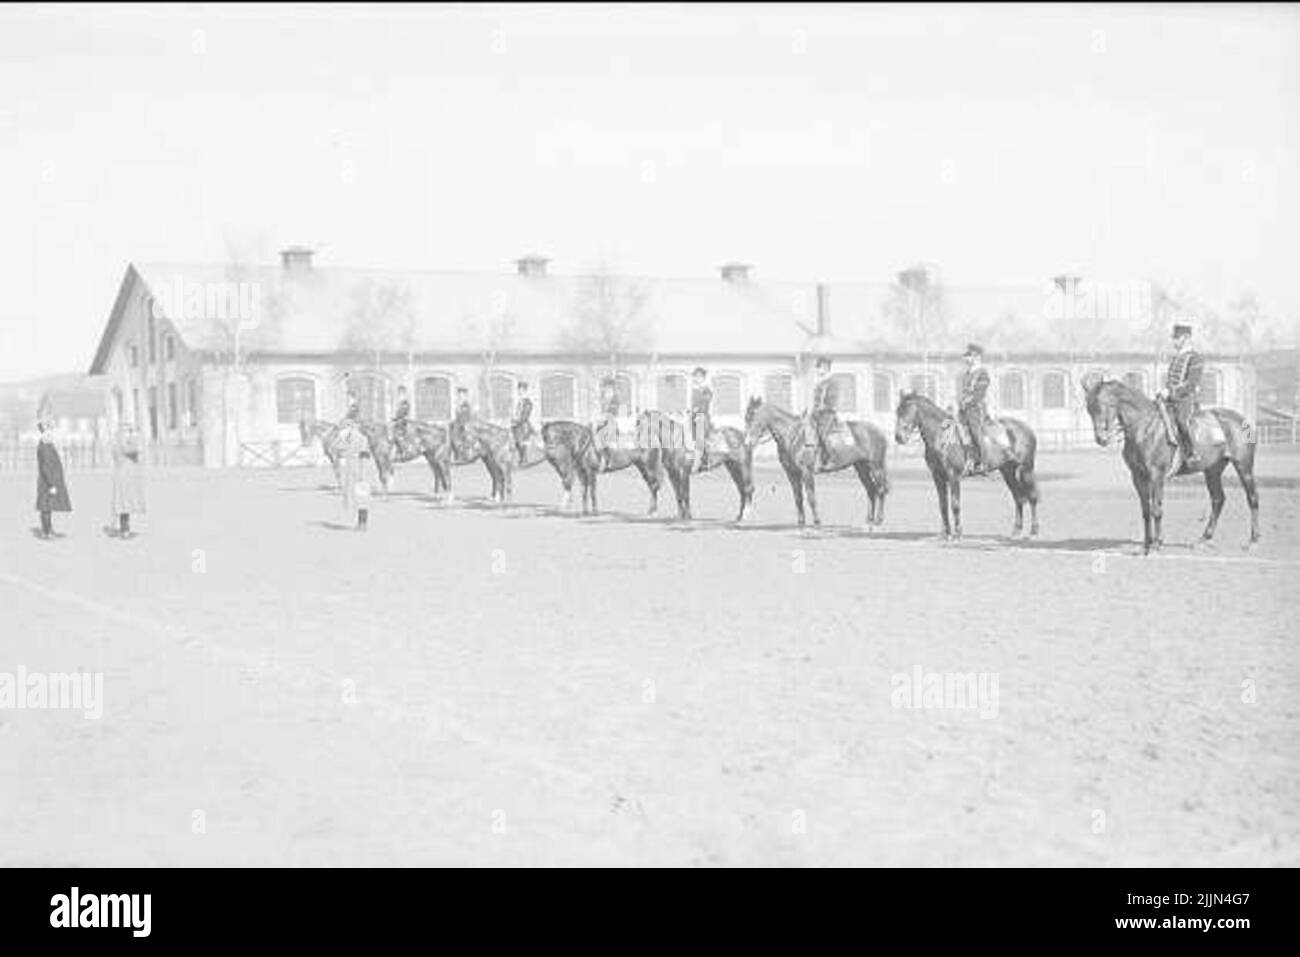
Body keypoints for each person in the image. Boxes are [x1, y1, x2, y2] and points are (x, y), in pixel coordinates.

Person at [1159, 322, 1204, 467]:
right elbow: (1171, 380)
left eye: (1176, 338)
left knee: (1181, 422)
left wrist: (1171, 392)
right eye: (1174, 338)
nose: (1174, 341)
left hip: (1185, 399)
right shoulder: (1176, 358)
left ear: (1186, 338)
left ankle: (1192, 453)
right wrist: (1164, 392)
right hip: (1171, 399)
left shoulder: (1195, 358)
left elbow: (1191, 384)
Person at [958, 343, 992, 474]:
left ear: (977, 357)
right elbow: (964, 391)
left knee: (975, 431)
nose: (966, 359)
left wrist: (967, 402)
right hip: (964, 408)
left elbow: (980, 393)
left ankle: (984, 463)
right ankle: (967, 461)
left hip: (976, 408)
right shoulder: (966, 373)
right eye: (966, 356)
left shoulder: (982, 373)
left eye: (969, 356)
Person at [34, 418, 71, 539]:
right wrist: (51, 484)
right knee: (45, 507)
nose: (50, 434)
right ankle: (46, 532)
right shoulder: (44, 446)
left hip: (50, 481)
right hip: (46, 482)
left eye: (50, 431)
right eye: (47, 431)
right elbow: (45, 466)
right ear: (43, 432)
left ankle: (49, 529)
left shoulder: (48, 445)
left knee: (49, 507)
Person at [110, 422, 146, 538]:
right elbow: (132, 450)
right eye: (127, 431)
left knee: (126, 504)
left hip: (128, 477)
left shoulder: (121, 442)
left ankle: (125, 528)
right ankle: (125, 529)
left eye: (130, 431)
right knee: (124, 504)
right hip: (124, 477)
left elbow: (136, 452)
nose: (130, 434)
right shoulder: (121, 443)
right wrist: (135, 440)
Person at [336, 417, 371, 531]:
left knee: (361, 497)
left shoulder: (360, 438)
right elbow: (339, 449)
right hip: (354, 469)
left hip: (359, 469)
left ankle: (362, 523)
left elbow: (364, 455)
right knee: (357, 497)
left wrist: (362, 473)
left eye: (345, 427)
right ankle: (360, 522)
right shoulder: (349, 438)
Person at [808, 356, 839, 468]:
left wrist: (822, 408)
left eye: (820, 367)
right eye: (818, 367)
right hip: (818, 414)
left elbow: (832, 400)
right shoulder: (819, 383)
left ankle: (832, 458)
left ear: (826, 368)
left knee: (822, 432)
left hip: (828, 413)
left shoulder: (832, 382)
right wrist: (811, 412)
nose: (818, 370)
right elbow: (816, 402)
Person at [689, 367, 713, 473]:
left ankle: (699, 464)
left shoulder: (706, 390)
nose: (695, 378)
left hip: (702, 417)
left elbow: (705, 404)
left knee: (699, 441)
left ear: (703, 378)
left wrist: (697, 411)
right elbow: (693, 405)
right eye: (694, 376)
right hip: (694, 417)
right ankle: (701, 462)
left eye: (698, 376)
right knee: (695, 441)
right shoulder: (695, 390)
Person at [595, 376, 620, 470]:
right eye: (603, 386)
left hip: (610, 419)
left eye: (604, 386)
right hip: (605, 418)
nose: (603, 388)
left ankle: (609, 462)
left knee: (607, 442)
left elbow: (612, 410)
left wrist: (605, 416)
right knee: (600, 441)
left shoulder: (613, 396)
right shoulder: (604, 396)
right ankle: (604, 462)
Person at [511, 380, 535, 461]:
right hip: (517, 424)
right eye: (518, 389)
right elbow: (517, 413)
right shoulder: (519, 402)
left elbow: (525, 415)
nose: (519, 391)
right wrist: (514, 419)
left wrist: (517, 421)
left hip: (524, 424)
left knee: (522, 441)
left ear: (524, 390)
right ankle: (521, 458)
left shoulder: (527, 402)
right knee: (517, 442)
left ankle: (524, 458)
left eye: (521, 390)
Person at [390, 385, 411, 457]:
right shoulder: (400, 401)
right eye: (399, 392)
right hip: (399, 419)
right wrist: (394, 418)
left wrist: (399, 418)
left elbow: (404, 411)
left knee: (396, 433)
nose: (399, 393)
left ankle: (402, 449)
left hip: (403, 420)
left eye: (401, 392)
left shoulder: (404, 401)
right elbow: (398, 411)